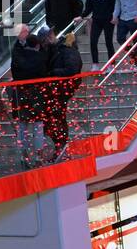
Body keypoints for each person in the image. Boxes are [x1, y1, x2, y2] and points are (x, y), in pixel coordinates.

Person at [11, 25, 49, 166]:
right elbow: (43, 73)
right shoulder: (40, 57)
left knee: (22, 125)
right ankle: (38, 156)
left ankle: (24, 155)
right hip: (36, 93)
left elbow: (15, 72)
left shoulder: (17, 54)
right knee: (38, 125)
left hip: (20, 92)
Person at [46, 31, 83, 159]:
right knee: (55, 119)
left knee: (58, 118)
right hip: (58, 90)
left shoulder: (67, 51)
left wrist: (53, 73)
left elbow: (72, 69)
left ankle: (61, 146)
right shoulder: (58, 50)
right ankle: (60, 146)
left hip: (61, 90)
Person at [84, 0, 117, 64]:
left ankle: (112, 64)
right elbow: (88, 8)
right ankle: (95, 64)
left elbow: (114, 6)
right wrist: (82, 16)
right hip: (96, 21)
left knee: (108, 42)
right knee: (93, 41)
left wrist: (115, 17)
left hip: (108, 20)